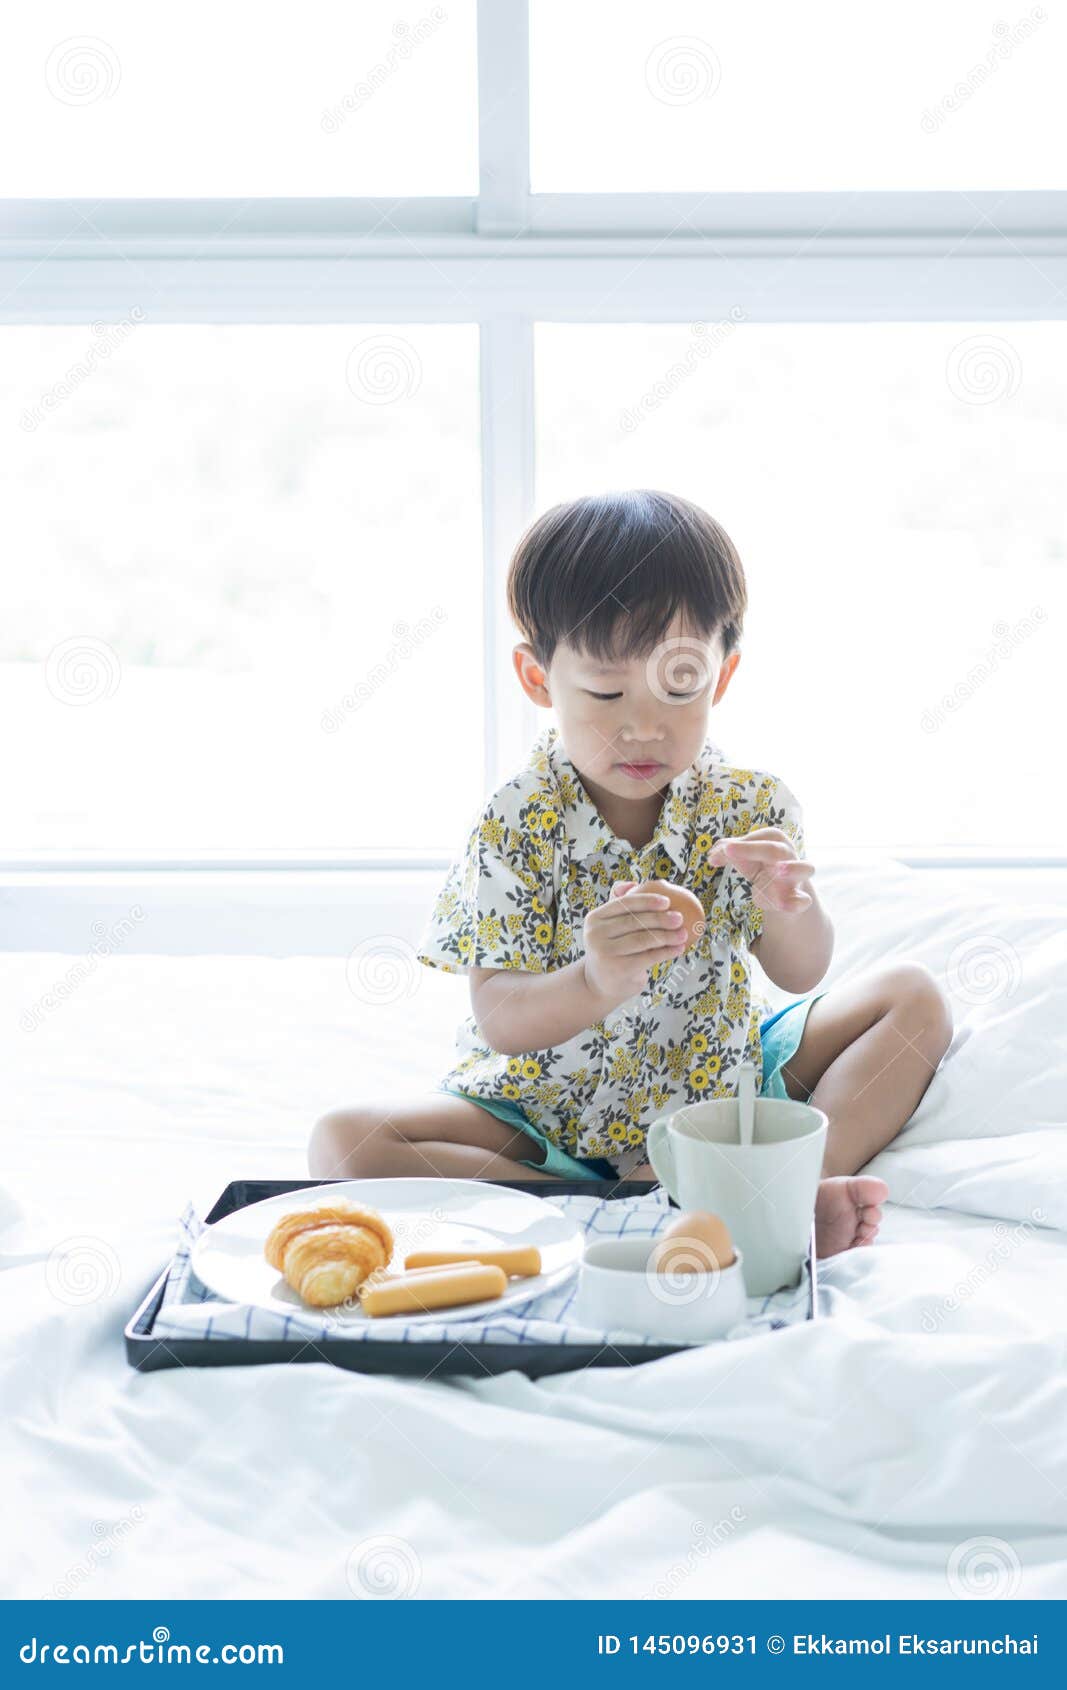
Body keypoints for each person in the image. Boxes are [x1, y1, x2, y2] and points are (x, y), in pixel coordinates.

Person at [310, 490, 953, 1257]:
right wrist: (594, 981)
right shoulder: (516, 824)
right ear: (537, 678)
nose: (643, 725)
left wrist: (787, 905)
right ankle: (625, 1209)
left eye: (678, 690)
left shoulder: (749, 806)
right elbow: (501, 1021)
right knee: (345, 1143)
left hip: (722, 1099)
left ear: (721, 675)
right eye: (607, 692)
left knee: (912, 997)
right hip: (545, 1115)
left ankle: (777, 1192)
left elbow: (798, 972)